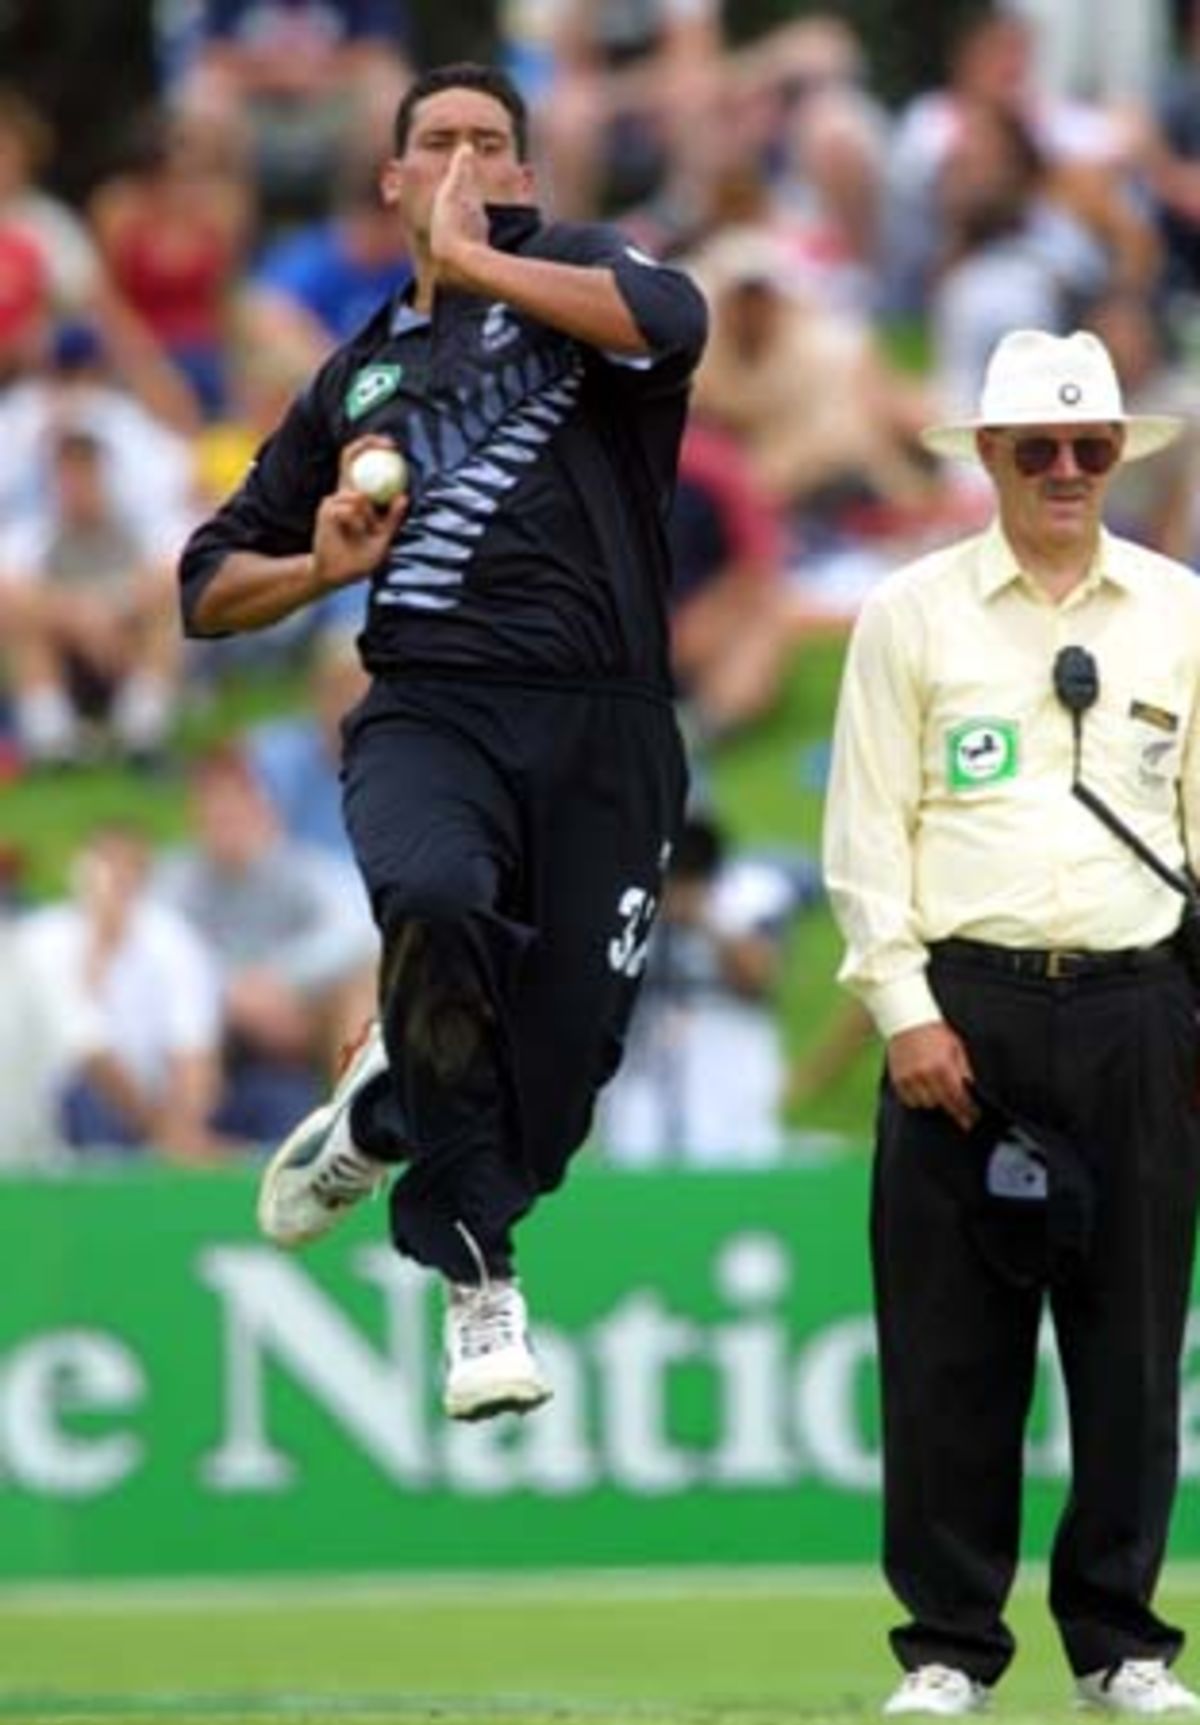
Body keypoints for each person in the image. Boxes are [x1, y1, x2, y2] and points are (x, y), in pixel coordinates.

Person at [178, 62, 707, 1423]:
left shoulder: (584, 276)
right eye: (438, 142)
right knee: (432, 892)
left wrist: (475, 261)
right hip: (430, 706)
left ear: (522, 175)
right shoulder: (358, 375)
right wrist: (317, 568)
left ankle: (387, 1108)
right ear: (392, 180)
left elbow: (675, 319)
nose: (466, 159)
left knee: (560, 1085)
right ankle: (477, 1282)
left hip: (606, 718)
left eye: (491, 141)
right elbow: (206, 583)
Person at [823, 327, 1200, 1717]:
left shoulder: (1180, 610)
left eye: (1089, 445)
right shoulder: (910, 613)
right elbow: (868, 831)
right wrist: (903, 1007)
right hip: (964, 1007)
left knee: (1134, 1345)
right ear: (987, 454)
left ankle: (1119, 1643)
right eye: (1037, 446)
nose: (1065, 468)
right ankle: (946, 1645)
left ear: (1118, 455)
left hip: (1137, 999)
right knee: (947, 1348)